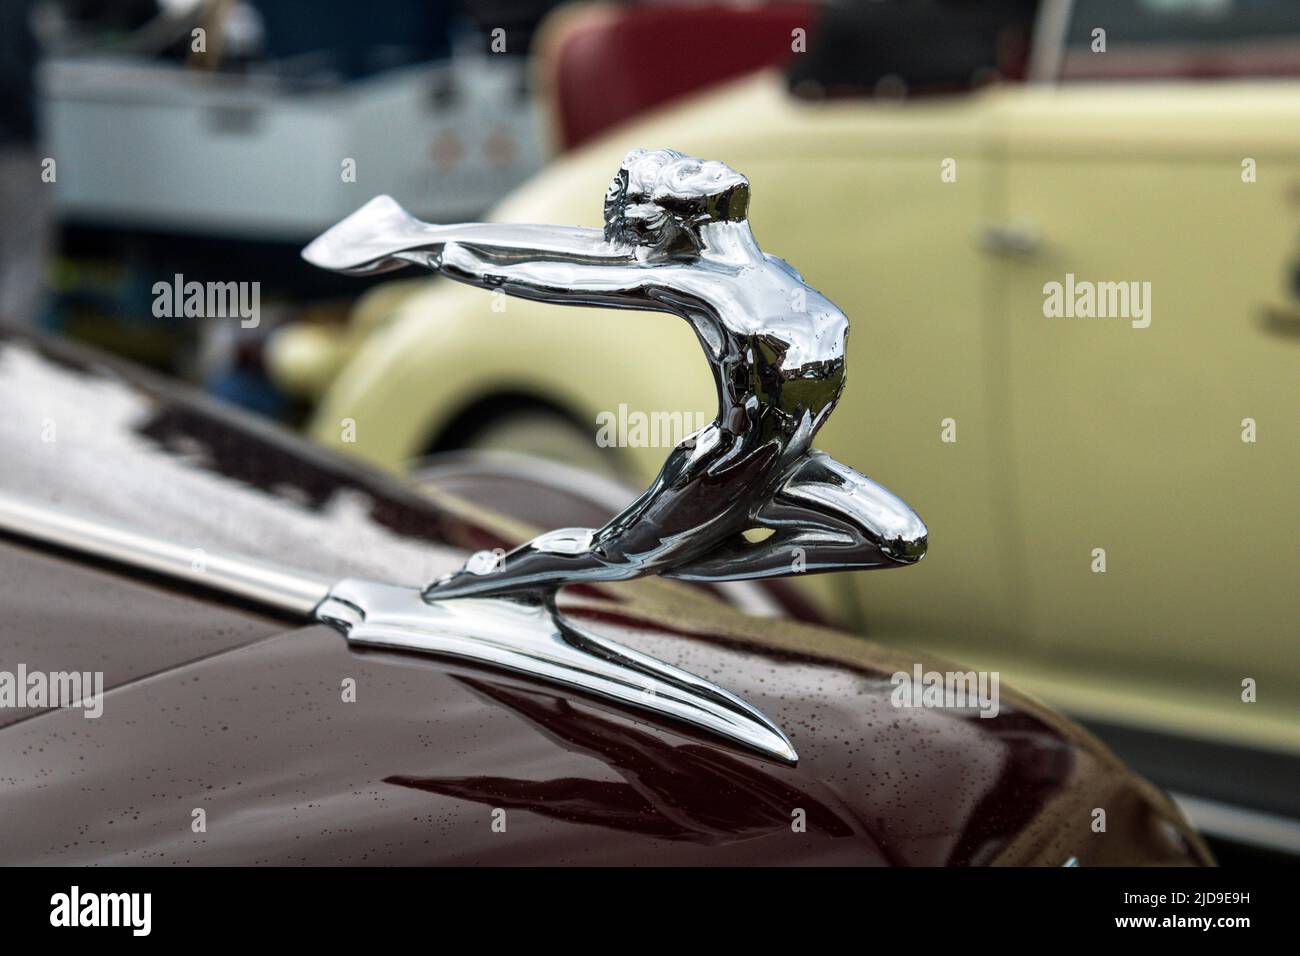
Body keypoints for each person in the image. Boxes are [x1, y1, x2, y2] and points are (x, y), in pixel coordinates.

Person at [304, 148, 927, 599]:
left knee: (898, 539)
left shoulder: (775, 271)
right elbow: (558, 272)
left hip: (789, 466)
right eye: (673, 180)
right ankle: (480, 583)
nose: (694, 168)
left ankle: (693, 561)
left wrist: (713, 555)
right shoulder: (690, 281)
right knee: (607, 558)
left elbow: (578, 249)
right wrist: (435, 246)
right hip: (724, 471)